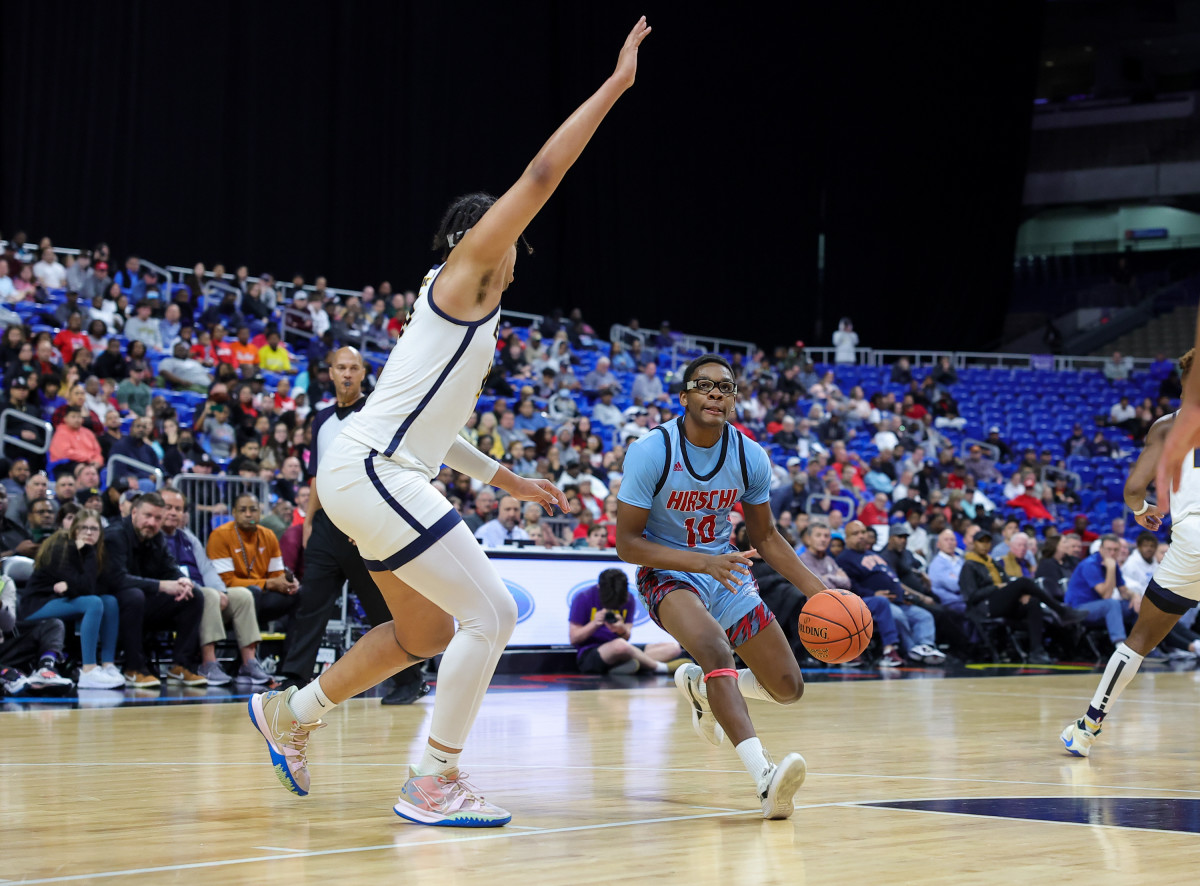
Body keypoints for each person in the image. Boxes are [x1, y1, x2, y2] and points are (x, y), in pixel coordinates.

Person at [248, 14, 651, 830]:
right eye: (500, 229)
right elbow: (540, 176)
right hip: (373, 474)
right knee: (493, 614)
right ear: (471, 238)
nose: (511, 242)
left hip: (375, 471)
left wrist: (506, 479)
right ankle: (432, 780)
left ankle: (292, 714)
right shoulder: (463, 276)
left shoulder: (466, 318)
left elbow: (430, 428)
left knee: (424, 630)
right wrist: (614, 86)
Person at [615, 353, 819, 820]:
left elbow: (765, 537)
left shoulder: (749, 456)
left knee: (788, 688)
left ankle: (705, 692)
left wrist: (820, 592)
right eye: (704, 385)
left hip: (724, 572)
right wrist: (701, 562)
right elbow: (627, 543)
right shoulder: (652, 450)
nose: (715, 394)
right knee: (714, 650)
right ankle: (765, 778)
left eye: (725, 387)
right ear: (684, 396)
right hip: (668, 572)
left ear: (733, 400)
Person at [1062, 350, 1200, 755]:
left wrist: (1141, 512)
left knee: (1139, 639)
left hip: (1192, 537)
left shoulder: (1166, 427)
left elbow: (1133, 491)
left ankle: (1086, 728)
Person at [275, 347, 429, 706]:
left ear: (363, 373)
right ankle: (293, 677)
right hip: (328, 526)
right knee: (311, 602)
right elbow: (316, 476)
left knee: (380, 607)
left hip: (365, 524)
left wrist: (369, 519)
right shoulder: (320, 419)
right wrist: (310, 521)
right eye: (340, 367)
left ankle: (411, 679)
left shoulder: (376, 413)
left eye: (353, 368)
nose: (347, 374)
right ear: (329, 373)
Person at [158, 488, 268, 686]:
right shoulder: (154, 538)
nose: (174, 513)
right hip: (178, 596)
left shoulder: (188, 538)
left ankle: (248, 661)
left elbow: (207, 569)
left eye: (179, 508)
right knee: (208, 595)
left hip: (203, 594)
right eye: (168, 508)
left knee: (243, 595)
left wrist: (222, 591)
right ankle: (208, 662)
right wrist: (211, 592)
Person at [106, 492, 208, 688]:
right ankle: (134, 668)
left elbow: (169, 567)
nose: (152, 523)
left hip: (143, 601)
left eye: (157, 518)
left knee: (194, 596)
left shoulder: (157, 537)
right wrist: (162, 585)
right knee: (133, 596)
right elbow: (116, 580)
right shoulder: (115, 535)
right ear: (134, 512)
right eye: (148, 516)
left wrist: (183, 581)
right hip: (113, 602)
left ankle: (180, 666)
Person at [18, 509, 124, 689]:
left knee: (110, 601)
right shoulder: (62, 547)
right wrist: (89, 554)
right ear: (75, 531)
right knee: (94, 602)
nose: (89, 533)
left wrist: (73, 586)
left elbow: (89, 585)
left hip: (62, 600)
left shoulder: (97, 551)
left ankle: (108, 665)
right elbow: (86, 588)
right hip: (37, 605)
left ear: (101, 532)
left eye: (94, 528)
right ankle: (89, 670)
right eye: (84, 528)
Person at [206, 493, 300, 628]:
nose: (248, 514)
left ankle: (294, 649)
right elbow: (226, 582)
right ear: (234, 512)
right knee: (252, 592)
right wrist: (267, 584)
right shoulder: (220, 535)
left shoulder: (268, 535)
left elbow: (277, 575)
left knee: (300, 594)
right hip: (231, 597)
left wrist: (287, 583)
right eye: (243, 510)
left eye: (253, 510)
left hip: (261, 595)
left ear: (260, 512)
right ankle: (246, 648)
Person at [568, 567, 683, 674]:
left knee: (673, 648)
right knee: (620, 645)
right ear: (599, 587)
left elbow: (626, 637)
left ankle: (623, 666)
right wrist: (594, 624)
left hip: (623, 650)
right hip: (591, 652)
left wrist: (621, 629)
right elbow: (574, 638)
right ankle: (659, 667)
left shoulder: (628, 598)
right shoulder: (583, 597)